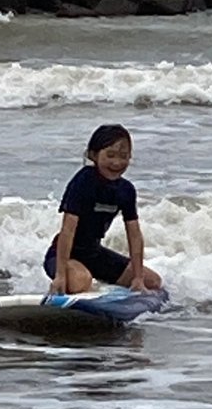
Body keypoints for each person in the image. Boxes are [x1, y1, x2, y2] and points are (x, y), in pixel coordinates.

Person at [43, 123, 163, 294]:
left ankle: (94, 286)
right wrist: (60, 275)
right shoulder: (83, 181)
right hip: (63, 256)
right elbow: (67, 230)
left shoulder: (126, 190)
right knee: (79, 281)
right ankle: (69, 283)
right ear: (94, 155)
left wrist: (137, 278)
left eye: (124, 156)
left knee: (153, 281)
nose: (117, 162)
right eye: (110, 155)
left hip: (94, 254)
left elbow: (134, 235)